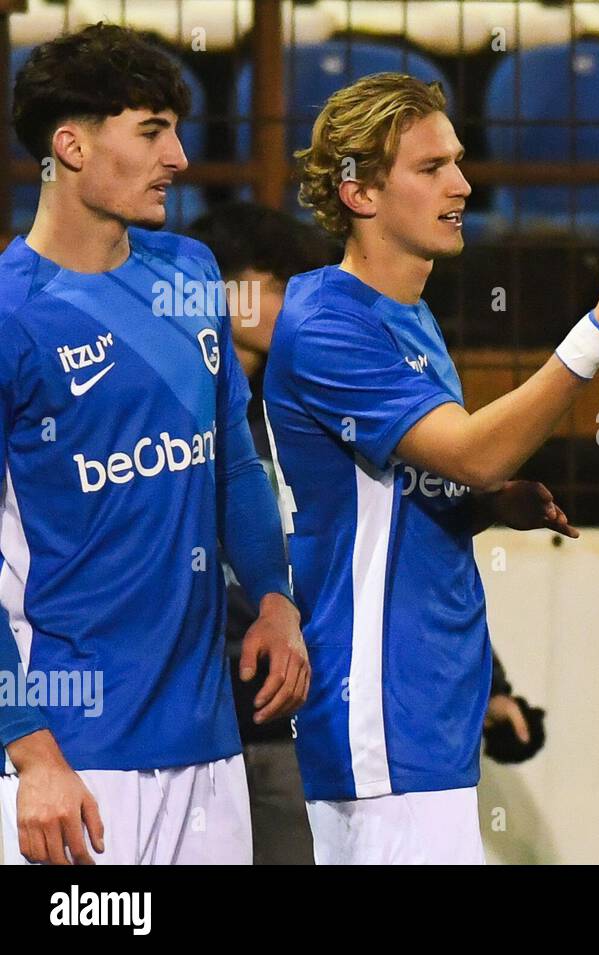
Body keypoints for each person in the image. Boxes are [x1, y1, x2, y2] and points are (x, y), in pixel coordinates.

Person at [264, 71, 599, 863]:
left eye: (457, 161)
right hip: (380, 711)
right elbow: (472, 446)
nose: (462, 183)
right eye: (430, 168)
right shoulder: (327, 324)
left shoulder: (410, 315)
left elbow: (422, 479)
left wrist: (486, 503)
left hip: (431, 704)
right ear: (359, 194)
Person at [0, 25, 306, 865]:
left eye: (176, 128)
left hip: (210, 750)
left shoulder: (192, 272)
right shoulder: (9, 315)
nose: (177, 155)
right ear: (70, 144)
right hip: (75, 760)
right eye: (150, 130)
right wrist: (30, 752)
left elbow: (233, 465)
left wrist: (276, 594)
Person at [185, 201, 338, 865]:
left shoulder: (310, 421)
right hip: (181, 729)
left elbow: (367, 552)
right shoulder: (163, 417)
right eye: (275, 283)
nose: (291, 304)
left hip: (285, 727)